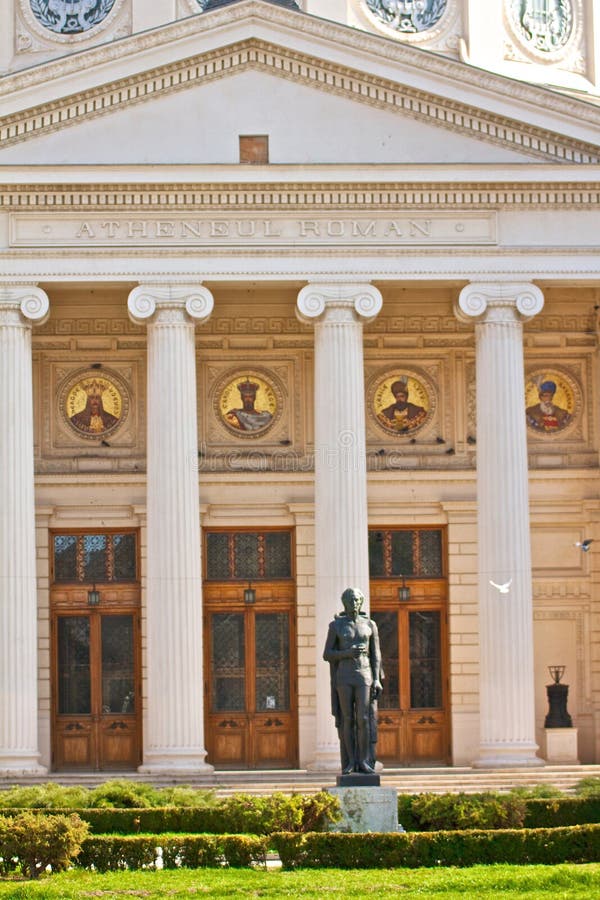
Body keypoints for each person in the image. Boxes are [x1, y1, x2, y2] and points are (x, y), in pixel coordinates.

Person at [323, 587, 383, 775]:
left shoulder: (370, 624)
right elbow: (327, 654)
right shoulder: (336, 626)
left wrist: (377, 679)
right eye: (351, 600)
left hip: (364, 675)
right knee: (347, 719)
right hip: (344, 677)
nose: (354, 603)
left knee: (363, 718)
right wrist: (347, 653)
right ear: (344, 603)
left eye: (357, 600)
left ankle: (364, 761)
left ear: (361, 602)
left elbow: (376, 655)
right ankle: (349, 762)